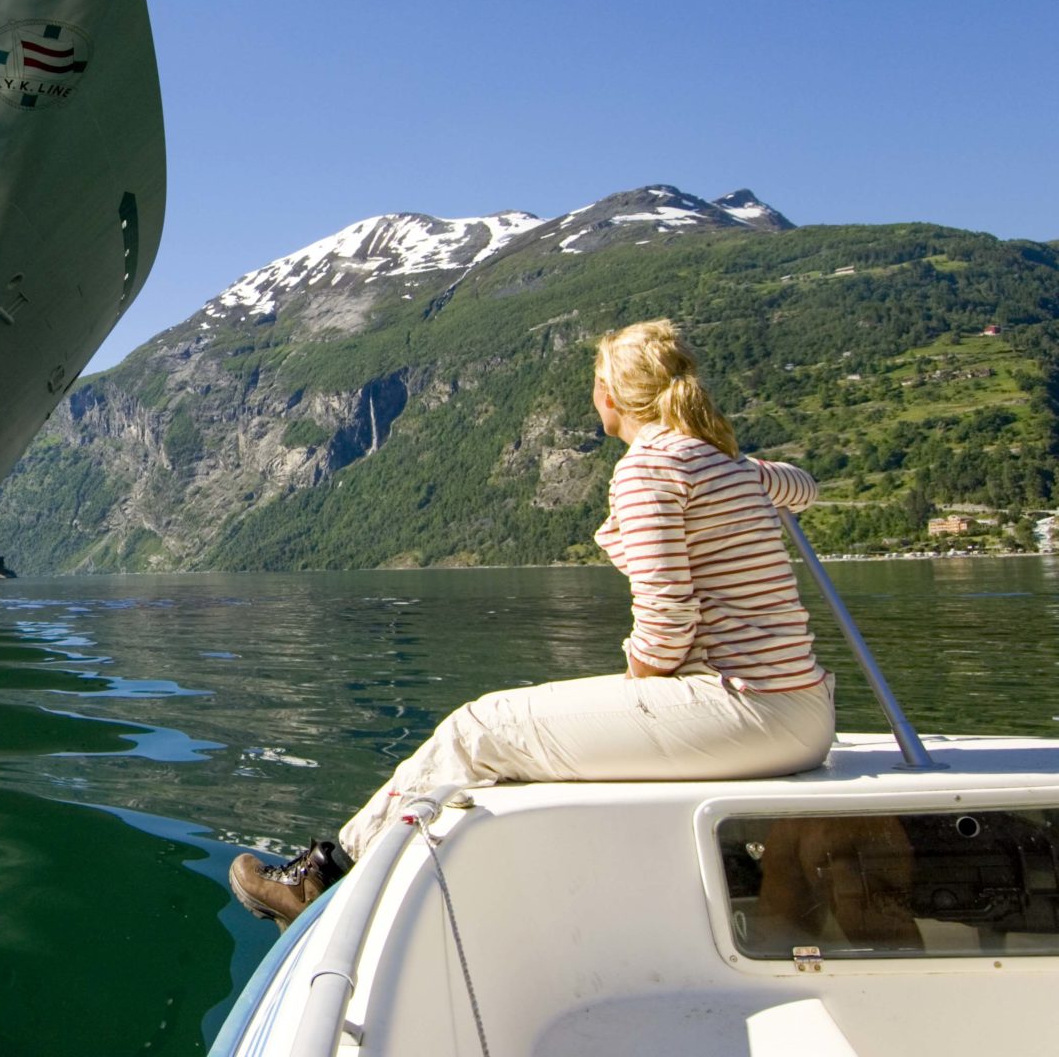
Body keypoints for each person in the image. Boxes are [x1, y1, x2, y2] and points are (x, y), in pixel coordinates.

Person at [229, 318, 836, 925]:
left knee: (476, 728)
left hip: (742, 710)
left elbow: (667, 623)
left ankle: (325, 875)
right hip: (805, 713)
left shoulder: (649, 468)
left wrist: (637, 686)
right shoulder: (728, 467)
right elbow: (802, 488)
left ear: (608, 394)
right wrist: (747, 468)